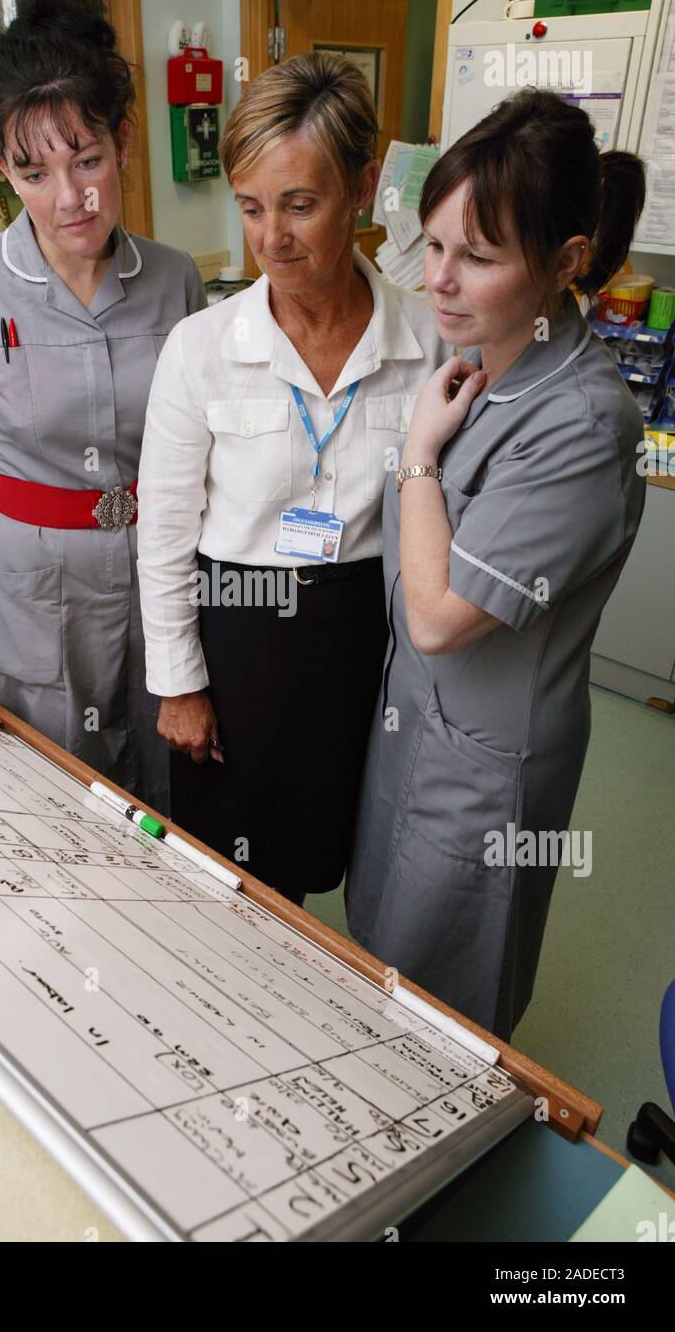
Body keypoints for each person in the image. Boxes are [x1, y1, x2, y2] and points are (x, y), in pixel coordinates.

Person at [346, 88, 647, 1040]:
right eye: (432, 245)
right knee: (381, 949)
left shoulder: (584, 424)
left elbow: (438, 615)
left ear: (566, 265)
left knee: (448, 1003)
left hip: (488, 772)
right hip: (411, 731)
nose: (440, 281)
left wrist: (420, 454)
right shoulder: (472, 355)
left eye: (477, 258)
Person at [137, 52, 449, 903]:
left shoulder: (430, 342)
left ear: (363, 186)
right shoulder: (201, 349)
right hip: (238, 641)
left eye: (300, 205)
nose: (270, 237)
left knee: (337, 857)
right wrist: (179, 682)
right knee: (228, 879)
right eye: (250, 207)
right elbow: (163, 530)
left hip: (365, 640)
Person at [0, 0, 206, 811]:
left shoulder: (176, 280)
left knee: (167, 781)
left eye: (88, 160)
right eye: (34, 173)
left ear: (123, 141)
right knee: (55, 792)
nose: (70, 198)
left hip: (159, 571)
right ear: (3, 170)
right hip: (32, 590)